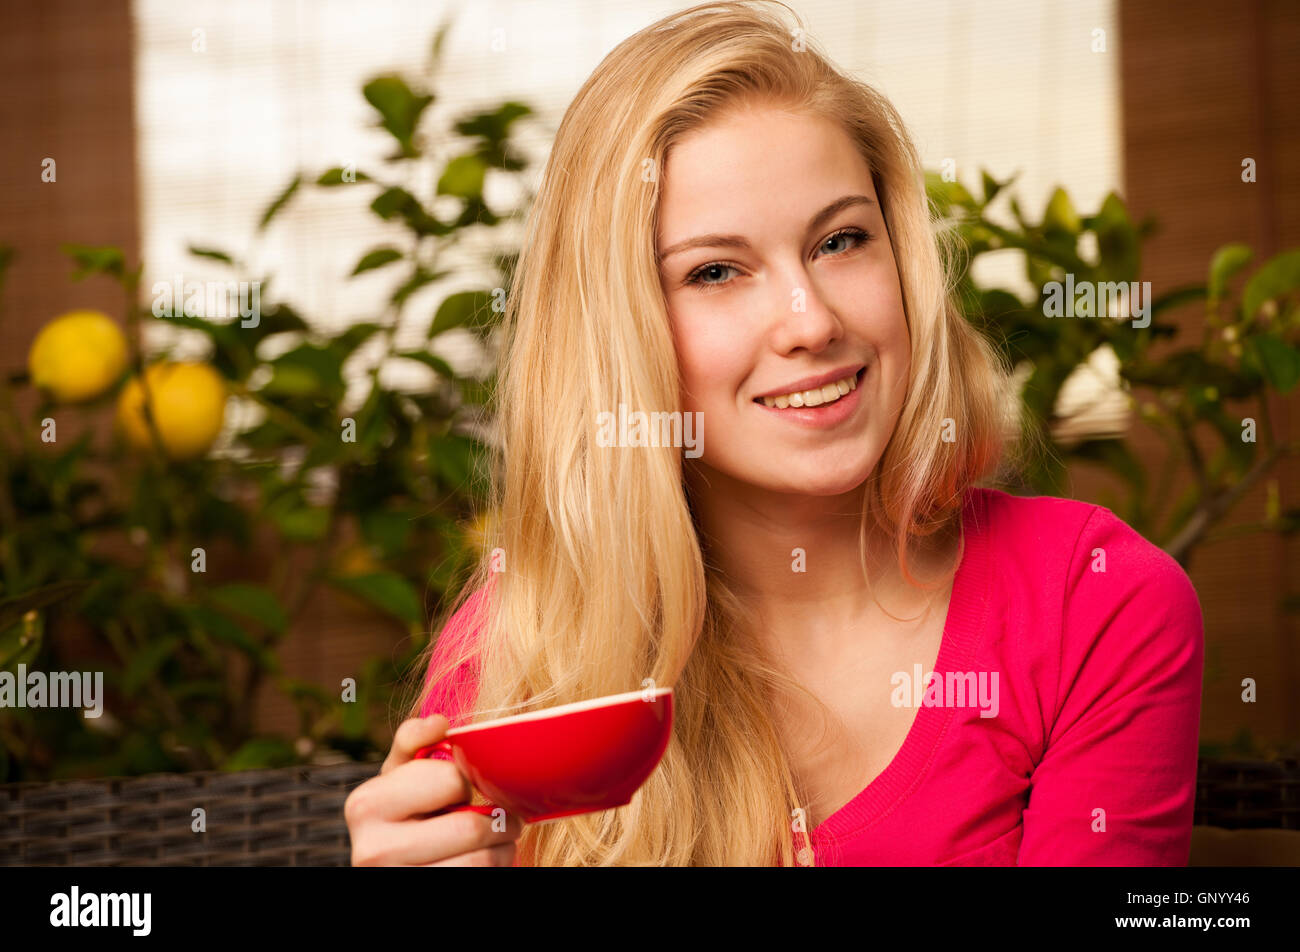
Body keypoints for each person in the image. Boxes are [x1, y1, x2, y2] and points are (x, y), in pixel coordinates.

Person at [344, 0, 1203, 867]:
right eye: (716, 271)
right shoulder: (527, 651)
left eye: (840, 241)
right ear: (618, 333)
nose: (810, 321)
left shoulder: (1094, 603)